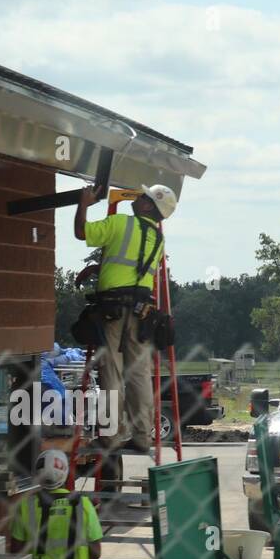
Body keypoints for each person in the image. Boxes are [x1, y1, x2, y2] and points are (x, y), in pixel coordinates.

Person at [73, 183, 178, 454]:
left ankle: (110, 436)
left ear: (147, 205)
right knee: (139, 374)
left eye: (143, 196)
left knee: (112, 371)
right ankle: (142, 436)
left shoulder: (121, 223)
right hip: (141, 313)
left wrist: (83, 203)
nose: (138, 198)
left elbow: (81, 232)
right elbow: (133, 268)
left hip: (113, 311)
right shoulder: (157, 238)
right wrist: (100, 266)